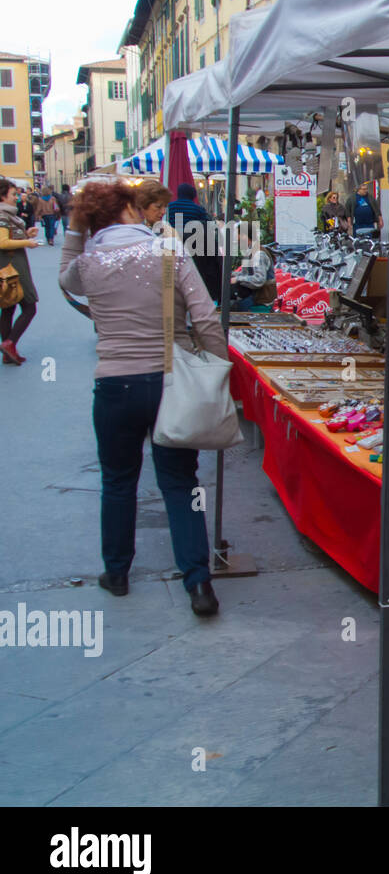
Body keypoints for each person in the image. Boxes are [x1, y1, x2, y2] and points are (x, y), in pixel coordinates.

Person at [58, 180, 227, 616]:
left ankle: (116, 574)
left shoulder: (89, 262)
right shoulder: (167, 251)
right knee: (180, 483)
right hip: (170, 379)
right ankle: (199, 584)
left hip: (115, 385)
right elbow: (205, 315)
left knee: (117, 481)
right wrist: (217, 366)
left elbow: (65, 277)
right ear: (130, 210)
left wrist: (76, 230)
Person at [0, 179, 42, 365]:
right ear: (2, 196)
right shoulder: (2, 215)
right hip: (13, 265)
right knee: (29, 306)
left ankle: (8, 351)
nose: (17, 198)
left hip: (10, 264)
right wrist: (27, 242)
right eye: (13, 195)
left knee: (9, 306)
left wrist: (26, 234)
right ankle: (10, 344)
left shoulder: (8, 215)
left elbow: (8, 237)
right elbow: (2, 242)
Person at [167, 183, 220, 302]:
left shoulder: (170, 207)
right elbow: (207, 227)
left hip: (173, 246)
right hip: (194, 248)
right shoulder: (198, 209)